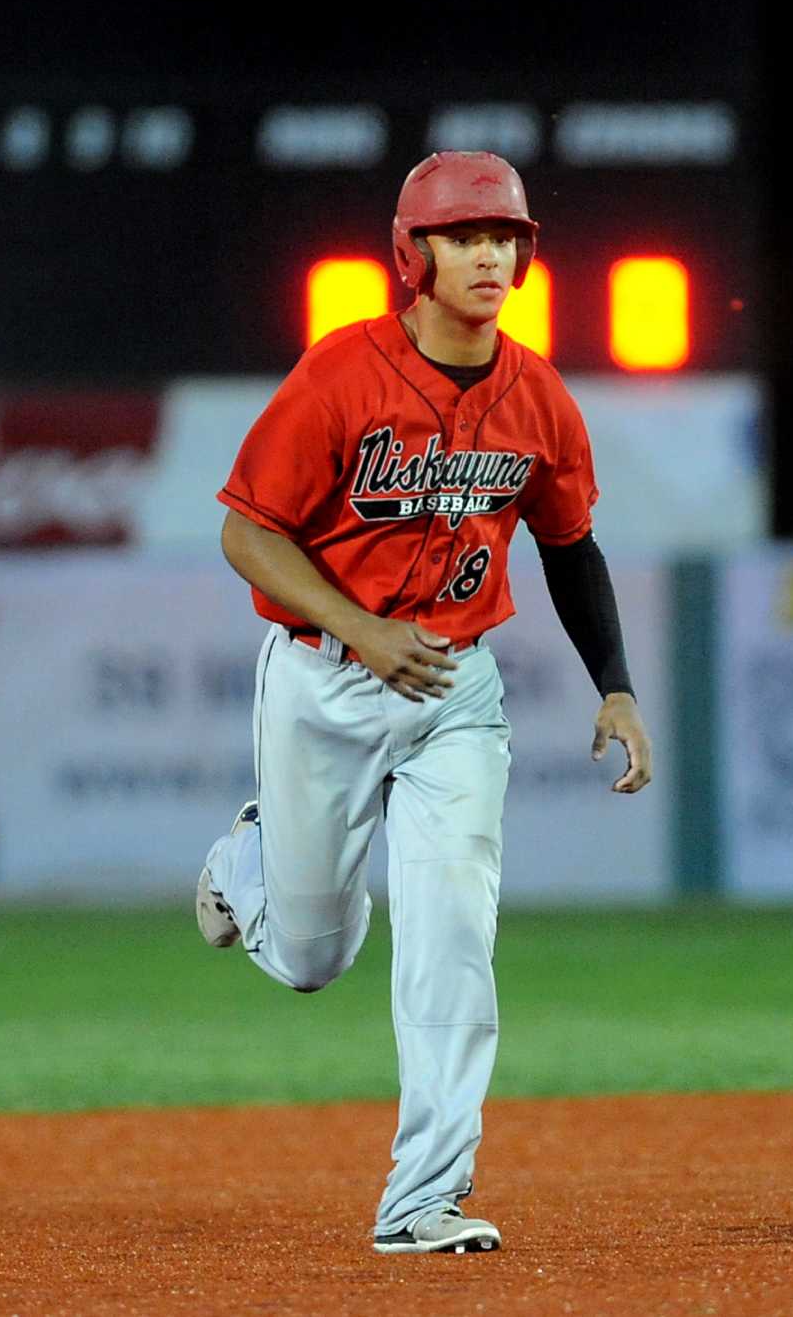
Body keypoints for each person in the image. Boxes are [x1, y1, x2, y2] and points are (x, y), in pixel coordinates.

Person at [195, 150, 653, 1255]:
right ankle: (247, 866)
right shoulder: (341, 373)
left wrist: (616, 687)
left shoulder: (538, 395)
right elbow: (246, 532)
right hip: (324, 675)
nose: (489, 255)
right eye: (464, 236)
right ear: (414, 254)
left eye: (505, 237)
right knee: (311, 958)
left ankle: (422, 1199)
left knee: (453, 931)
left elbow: (570, 546)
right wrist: (358, 627)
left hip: (454, 684)